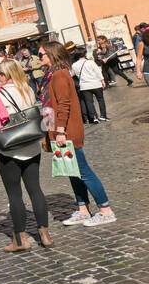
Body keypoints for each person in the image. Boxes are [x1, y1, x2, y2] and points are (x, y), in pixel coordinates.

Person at [41, 41, 116, 226]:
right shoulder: (52, 74)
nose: (39, 57)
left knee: (83, 172)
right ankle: (83, 209)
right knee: (72, 171)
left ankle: (105, 210)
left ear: (52, 54)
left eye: (42, 54)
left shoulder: (59, 75)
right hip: (58, 129)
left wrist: (60, 131)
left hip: (66, 131)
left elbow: (64, 104)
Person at [0, 61, 51, 251]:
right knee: (36, 190)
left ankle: (20, 240)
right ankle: (44, 234)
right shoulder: (27, 89)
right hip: (31, 146)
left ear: (4, 75)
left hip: (9, 149)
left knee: (15, 195)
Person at [70, 47, 108, 124]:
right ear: (85, 53)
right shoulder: (90, 62)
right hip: (96, 84)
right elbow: (97, 71)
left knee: (89, 102)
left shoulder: (74, 65)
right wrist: (102, 80)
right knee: (100, 100)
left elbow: (70, 74)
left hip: (84, 86)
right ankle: (103, 116)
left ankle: (94, 117)